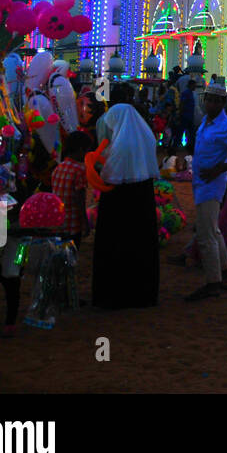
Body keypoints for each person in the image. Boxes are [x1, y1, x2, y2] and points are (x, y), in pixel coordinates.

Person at [92, 84, 161, 309]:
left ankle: (112, 294)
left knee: (114, 241)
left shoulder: (111, 127)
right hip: (142, 190)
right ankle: (142, 293)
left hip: (116, 191)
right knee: (141, 241)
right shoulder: (142, 130)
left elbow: (103, 155)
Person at [186, 81, 227, 301]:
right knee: (213, 230)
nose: (211, 104)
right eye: (209, 100)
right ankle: (223, 272)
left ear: (223, 103)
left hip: (211, 184)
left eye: (216, 101)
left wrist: (220, 168)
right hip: (202, 182)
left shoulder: (225, 126)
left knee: (206, 234)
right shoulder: (207, 122)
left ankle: (213, 282)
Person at [52, 130, 95, 247]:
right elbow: (79, 198)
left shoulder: (58, 168)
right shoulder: (79, 170)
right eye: (87, 150)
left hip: (58, 221)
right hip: (73, 223)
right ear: (81, 150)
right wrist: (85, 222)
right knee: (72, 252)